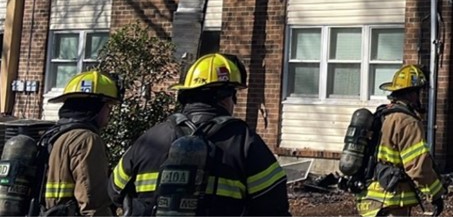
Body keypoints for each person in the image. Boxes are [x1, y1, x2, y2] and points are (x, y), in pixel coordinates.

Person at [108, 53, 290, 216]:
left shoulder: (150, 139)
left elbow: (114, 190)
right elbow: (274, 206)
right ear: (226, 97)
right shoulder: (245, 143)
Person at [355, 64, 445, 217]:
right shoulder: (407, 122)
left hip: (369, 198)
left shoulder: (383, 115)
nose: (420, 97)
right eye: (418, 92)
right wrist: (436, 193)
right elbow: (418, 167)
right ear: (411, 94)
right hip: (390, 200)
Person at [43, 70, 122, 216]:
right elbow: (92, 201)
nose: (109, 113)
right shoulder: (86, 140)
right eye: (108, 106)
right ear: (96, 107)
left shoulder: (55, 135)